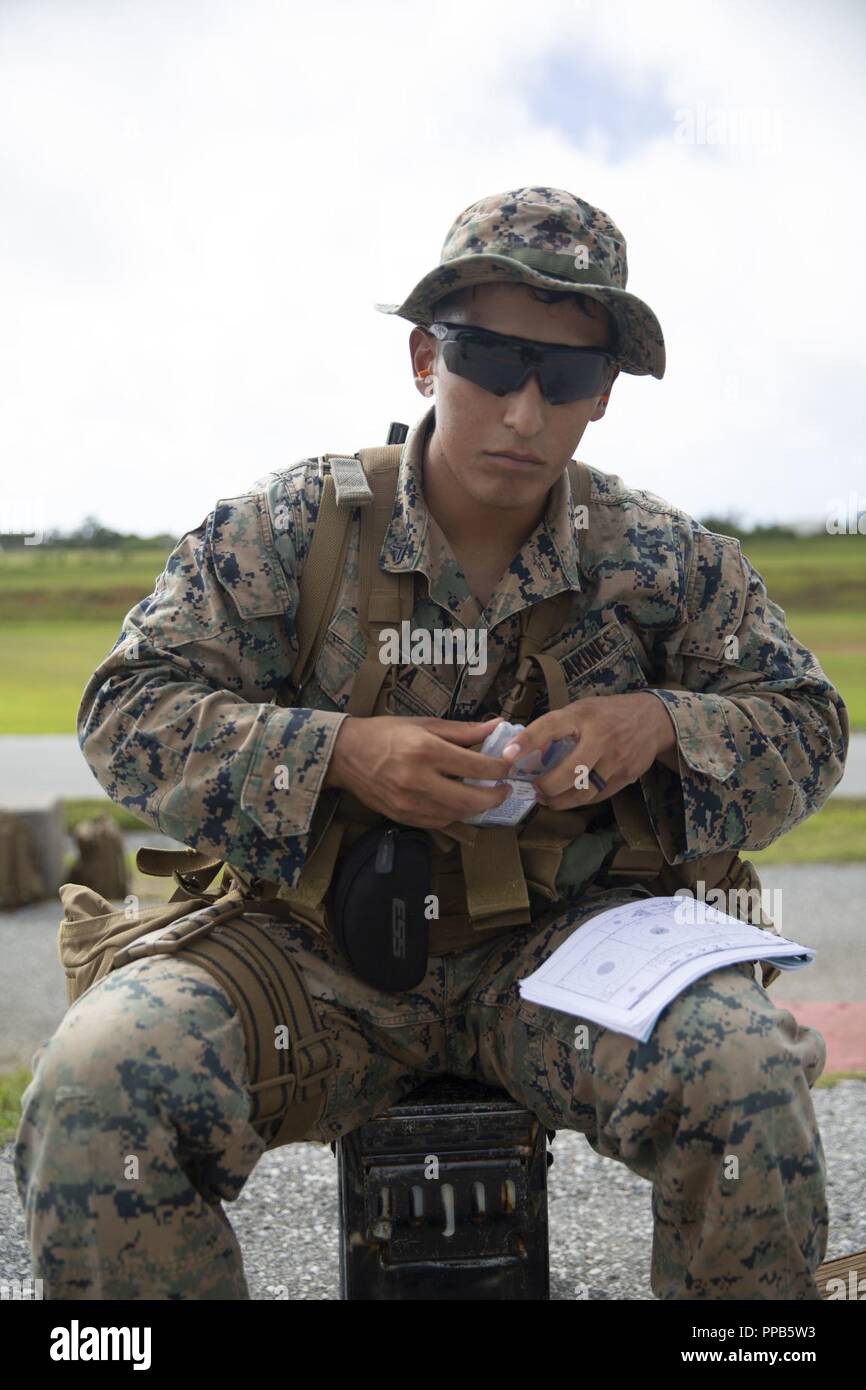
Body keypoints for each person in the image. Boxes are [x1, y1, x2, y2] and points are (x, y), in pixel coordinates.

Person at [15, 186, 847, 1301]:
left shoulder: (661, 559)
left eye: (566, 374)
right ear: (423, 359)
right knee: (94, 1087)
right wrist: (337, 753)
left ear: (602, 393)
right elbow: (126, 711)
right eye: (490, 360)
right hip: (306, 955)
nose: (523, 409)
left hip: (572, 956)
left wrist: (660, 724)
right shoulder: (287, 531)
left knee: (744, 1079)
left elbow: (806, 722)